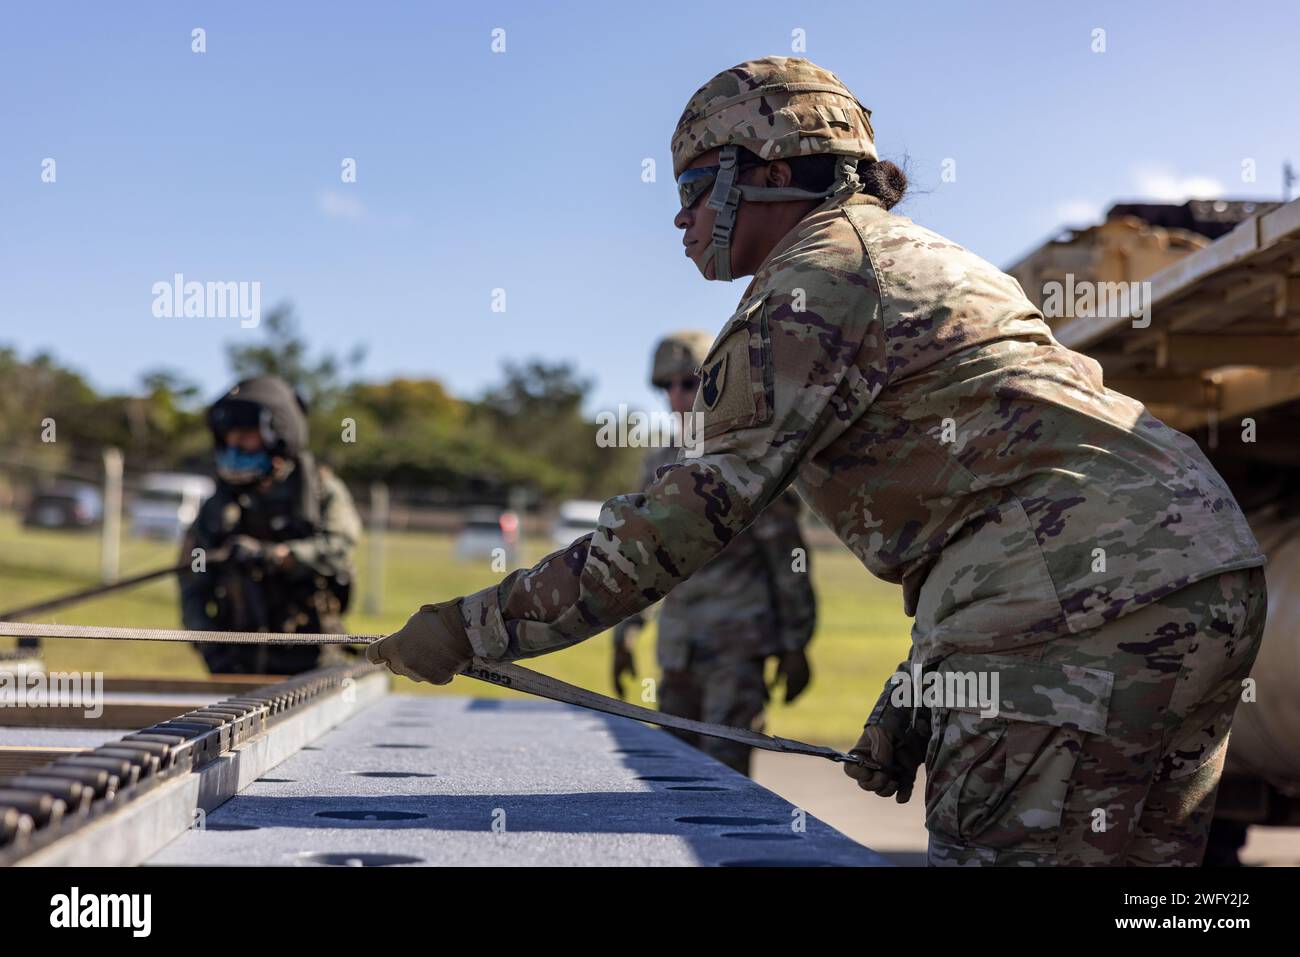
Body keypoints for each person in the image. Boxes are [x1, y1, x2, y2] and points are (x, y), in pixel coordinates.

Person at [367, 57, 1266, 866]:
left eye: (690, 186)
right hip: (1200, 570)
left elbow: (681, 521)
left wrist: (469, 627)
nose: (679, 217)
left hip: (1075, 603)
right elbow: (1008, 492)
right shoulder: (923, 259)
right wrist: (929, 682)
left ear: (761, 175)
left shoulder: (809, 285)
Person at [610, 331, 816, 775]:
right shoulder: (659, 463)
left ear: (714, 384)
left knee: (725, 773)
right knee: (673, 770)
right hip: (678, 645)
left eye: (688, 382)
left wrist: (796, 643)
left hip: (736, 646)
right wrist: (625, 631)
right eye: (666, 386)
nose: (677, 396)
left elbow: (787, 561)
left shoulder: (751, 457)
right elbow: (643, 554)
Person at [180, 376, 361, 675]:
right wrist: (211, 648)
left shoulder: (321, 491)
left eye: (246, 434)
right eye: (229, 435)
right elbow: (192, 584)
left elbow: (338, 547)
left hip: (313, 659)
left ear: (278, 434)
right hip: (239, 662)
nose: (234, 443)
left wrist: (276, 556)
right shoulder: (218, 505)